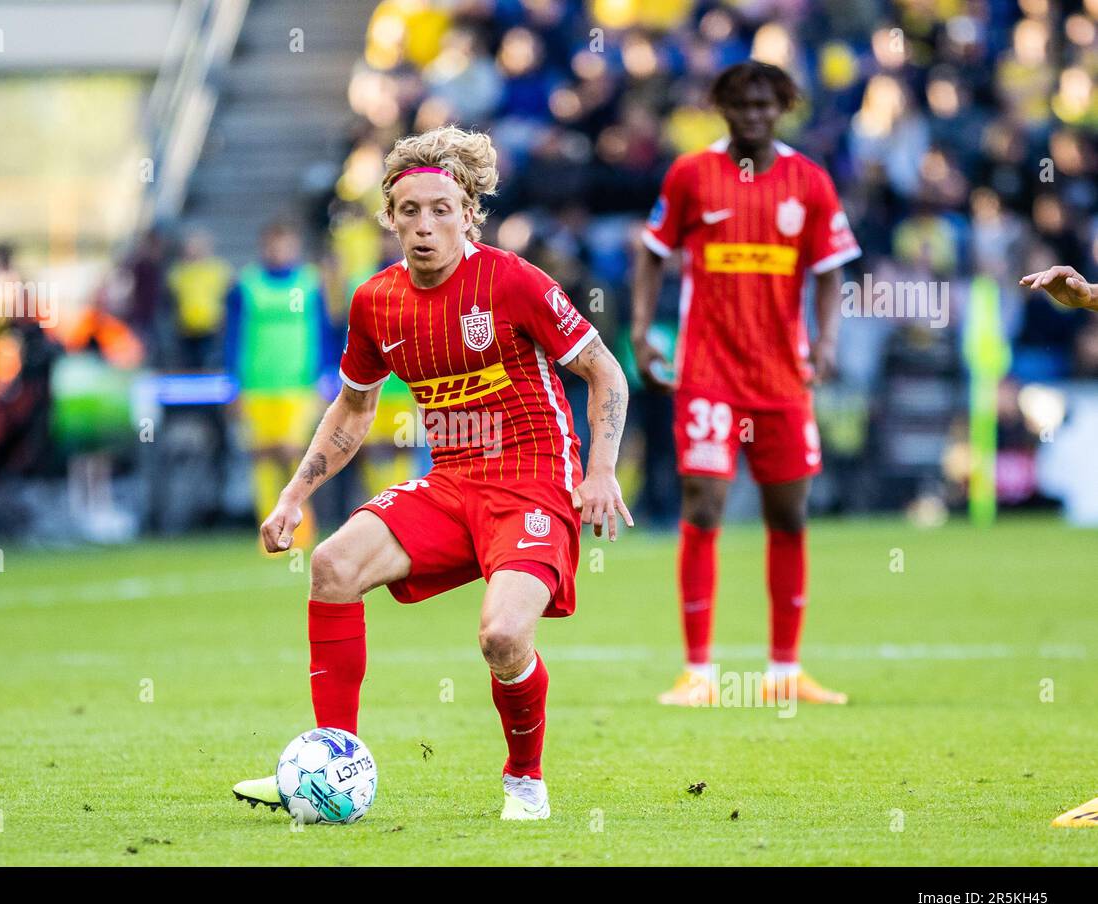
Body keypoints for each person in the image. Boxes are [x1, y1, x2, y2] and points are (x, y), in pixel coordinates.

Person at [232, 126, 633, 820]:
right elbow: (353, 409)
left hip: (533, 479)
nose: (423, 226)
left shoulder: (511, 281)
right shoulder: (375, 302)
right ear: (389, 217)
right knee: (330, 565)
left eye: (440, 209)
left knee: (503, 638)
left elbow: (605, 373)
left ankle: (525, 780)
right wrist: (297, 493)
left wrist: (600, 470)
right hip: (451, 482)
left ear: (469, 213)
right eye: (409, 210)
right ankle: (333, 766)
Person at [631, 61, 860, 707]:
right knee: (703, 507)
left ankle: (785, 670)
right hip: (707, 372)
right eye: (741, 104)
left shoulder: (808, 180)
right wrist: (645, 333)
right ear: (722, 108)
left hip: (783, 377)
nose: (754, 114)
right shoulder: (690, 175)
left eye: (766, 104)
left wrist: (829, 339)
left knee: (788, 514)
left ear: (782, 106)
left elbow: (829, 268)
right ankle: (697, 673)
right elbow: (651, 251)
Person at [224, 221, 341, 551]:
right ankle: (271, 534)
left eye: (285, 244)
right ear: (265, 247)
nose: (279, 251)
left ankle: (301, 531)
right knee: (261, 458)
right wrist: (233, 383)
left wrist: (325, 375)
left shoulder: (309, 284)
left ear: (294, 247)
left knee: (294, 455)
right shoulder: (246, 286)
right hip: (257, 386)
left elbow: (325, 332)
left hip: (298, 385)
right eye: (274, 245)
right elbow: (232, 337)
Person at [166, 231, 232, 370]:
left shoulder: (218, 270)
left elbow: (228, 295)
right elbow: (173, 296)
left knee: (207, 365)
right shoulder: (179, 271)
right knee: (188, 366)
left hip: (210, 327)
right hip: (186, 329)